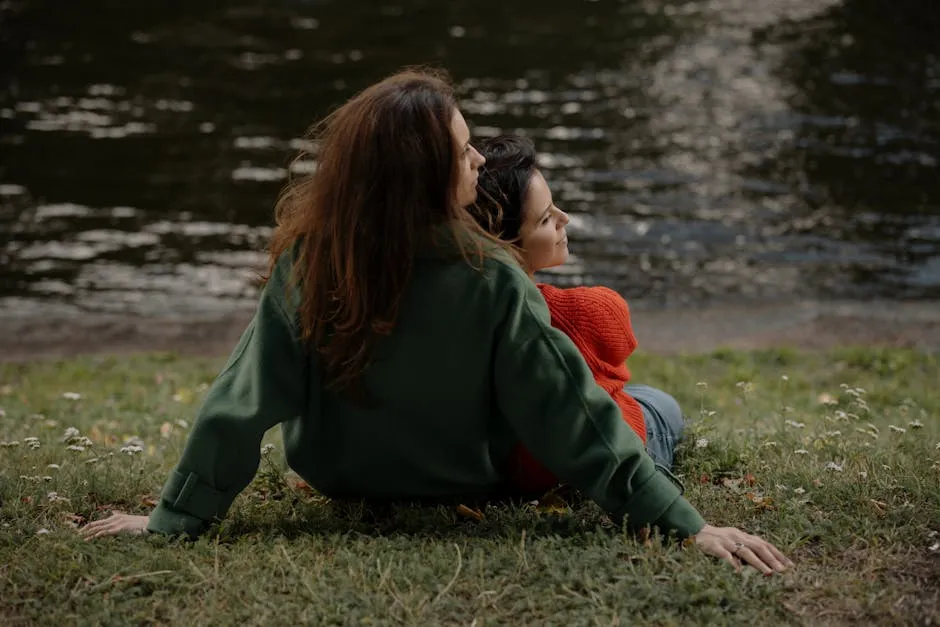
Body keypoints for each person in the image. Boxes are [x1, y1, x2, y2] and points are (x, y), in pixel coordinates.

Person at [80, 68, 792, 575]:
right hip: (461, 486)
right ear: (425, 178)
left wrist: (174, 519)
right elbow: (577, 421)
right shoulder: (493, 280)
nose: (480, 159)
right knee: (657, 406)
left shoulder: (313, 263)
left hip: (341, 479)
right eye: (464, 151)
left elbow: (237, 406)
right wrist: (687, 526)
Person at [470, 135, 683, 494]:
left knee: (638, 392)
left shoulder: (465, 304)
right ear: (503, 241)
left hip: (508, 464)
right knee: (662, 405)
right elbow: (616, 326)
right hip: (579, 463)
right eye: (545, 219)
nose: (564, 218)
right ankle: (650, 469)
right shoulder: (574, 312)